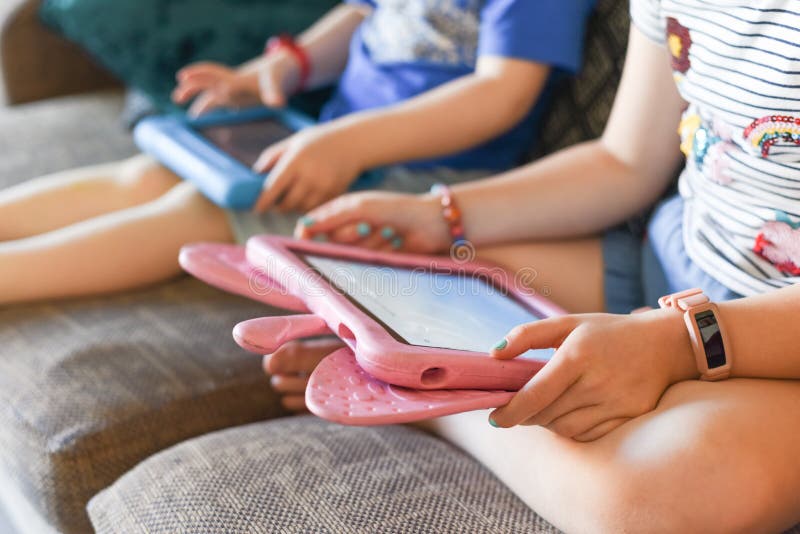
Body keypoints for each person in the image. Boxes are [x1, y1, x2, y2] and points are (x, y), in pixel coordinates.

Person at [263, 1, 800, 530]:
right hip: (674, 265)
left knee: (661, 497)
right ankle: (419, 361)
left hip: (778, 337)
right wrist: (442, 215)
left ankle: (435, 394)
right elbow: (624, 161)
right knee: (408, 275)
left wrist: (676, 345)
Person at [0, 0, 595, 304]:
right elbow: (364, 13)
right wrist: (286, 66)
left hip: (420, 183)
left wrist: (349, 142)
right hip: (333, 138)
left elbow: (501, 94)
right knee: (151, 174)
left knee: (198, 213)